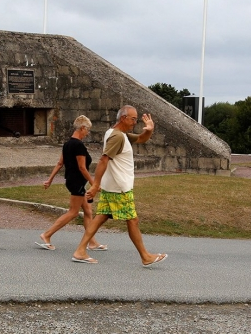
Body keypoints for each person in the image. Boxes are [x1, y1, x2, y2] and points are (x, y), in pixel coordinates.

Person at [71, 106, 167, 267]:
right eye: (133, 119)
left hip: (113, 186)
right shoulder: (117, 137)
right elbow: (103, 160)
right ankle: (145, 256)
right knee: (133, 220)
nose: (135, 122)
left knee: (100, 217)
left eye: (136, 119)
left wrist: (150, 129)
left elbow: (142, 139)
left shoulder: (118, 134)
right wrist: (95, 185)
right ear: (123, 118)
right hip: (120, 188)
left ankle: (80, 250)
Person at [36, 115, 107, 253]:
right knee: (73, 212)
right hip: (77, 182)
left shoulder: (68, 144)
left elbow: (59, 163)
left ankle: (91, 242)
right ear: (82, 128)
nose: (88, 133)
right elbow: (82, 167)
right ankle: (47, 235)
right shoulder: (78, 145)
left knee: (88, 211)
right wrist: (94, 184)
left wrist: (49, 180)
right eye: (88, 130)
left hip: (73, 181)